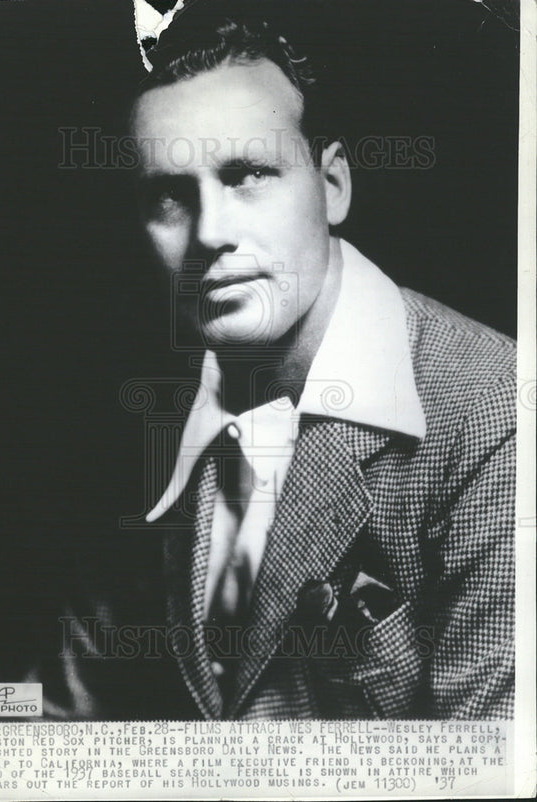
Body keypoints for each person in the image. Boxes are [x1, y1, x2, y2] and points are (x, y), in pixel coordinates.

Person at [33, 9, 515, 720]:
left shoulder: (493, 410)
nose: (212, 233)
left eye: (248, 174)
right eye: (170, 195)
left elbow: (490, 766)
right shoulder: (140, 415)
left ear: (334, 186)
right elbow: (51, 722)